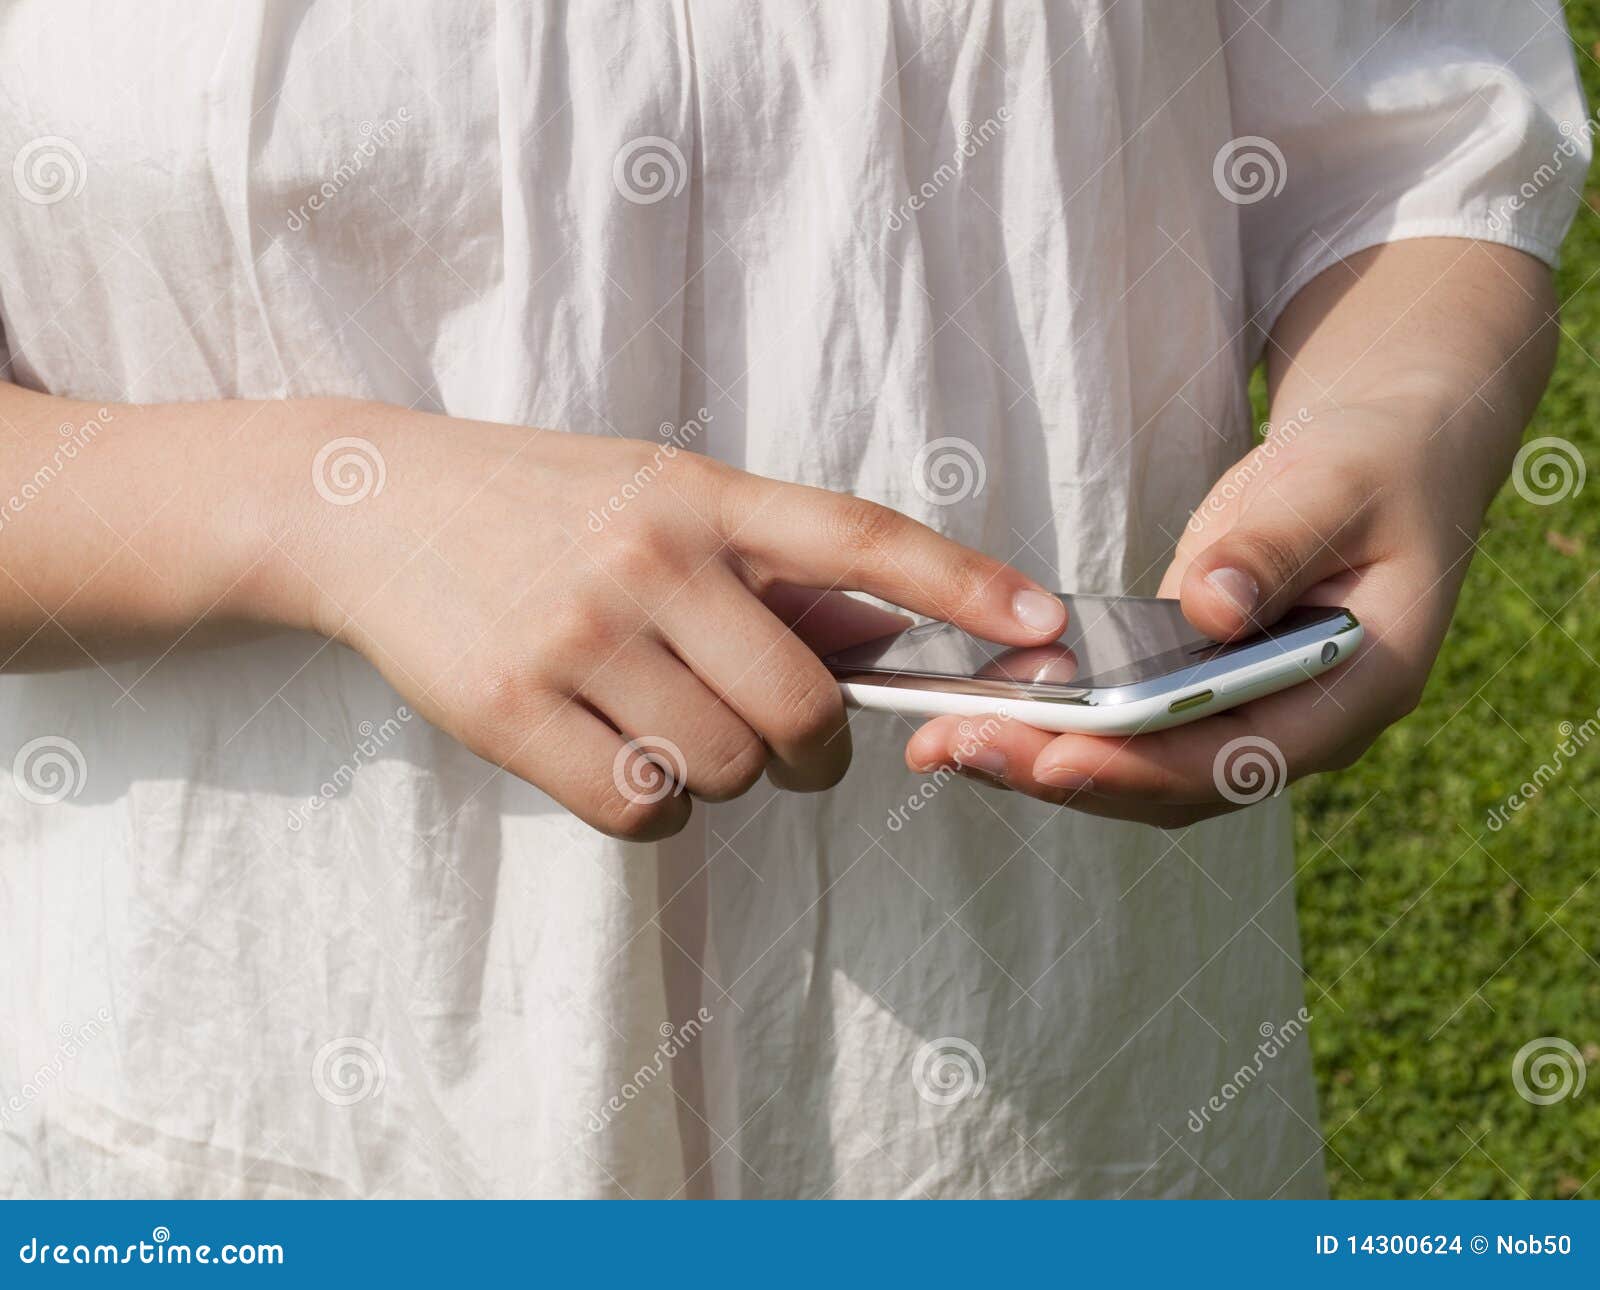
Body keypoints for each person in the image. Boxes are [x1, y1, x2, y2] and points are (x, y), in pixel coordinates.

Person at [0, 1, 1584, 1198]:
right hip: (273, 1112)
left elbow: (1416, 147)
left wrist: (1390, 422)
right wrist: (326, 509)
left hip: (1043, 1101)